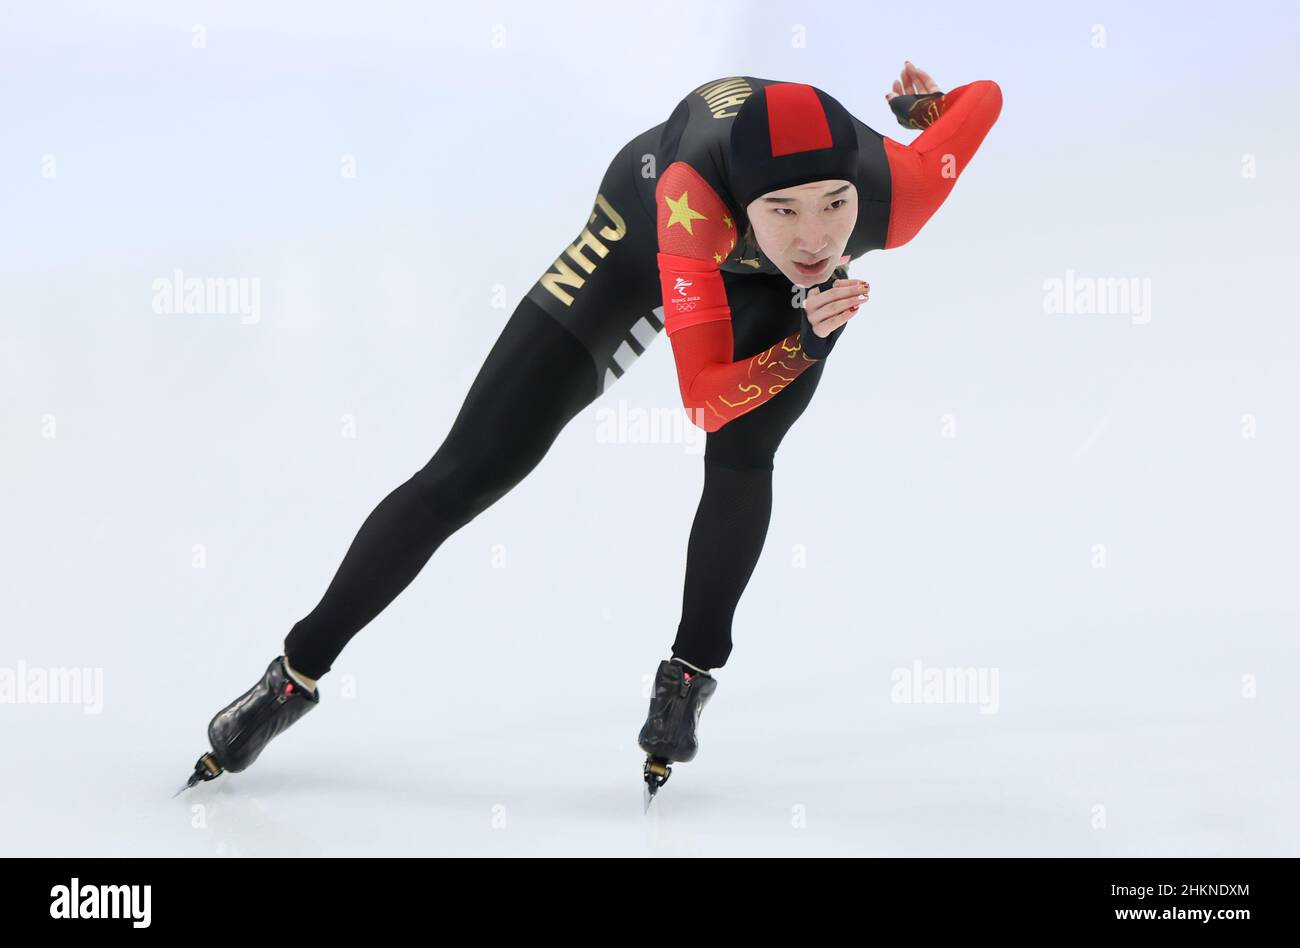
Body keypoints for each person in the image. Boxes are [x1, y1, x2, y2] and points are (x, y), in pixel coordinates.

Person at [180, 63, 1003, 796]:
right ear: (746, 201)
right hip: (641, 236)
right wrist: (808, 343)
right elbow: (705, 396)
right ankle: (293, 675)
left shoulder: (904, 193)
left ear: (863, 192)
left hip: (759, 278)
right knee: (471, 468)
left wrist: (927, 111)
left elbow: (985, 97)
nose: (818, 239)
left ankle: (688, 675)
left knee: (747, 454)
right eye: (785, 210)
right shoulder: (695, 205)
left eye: (834, 206)